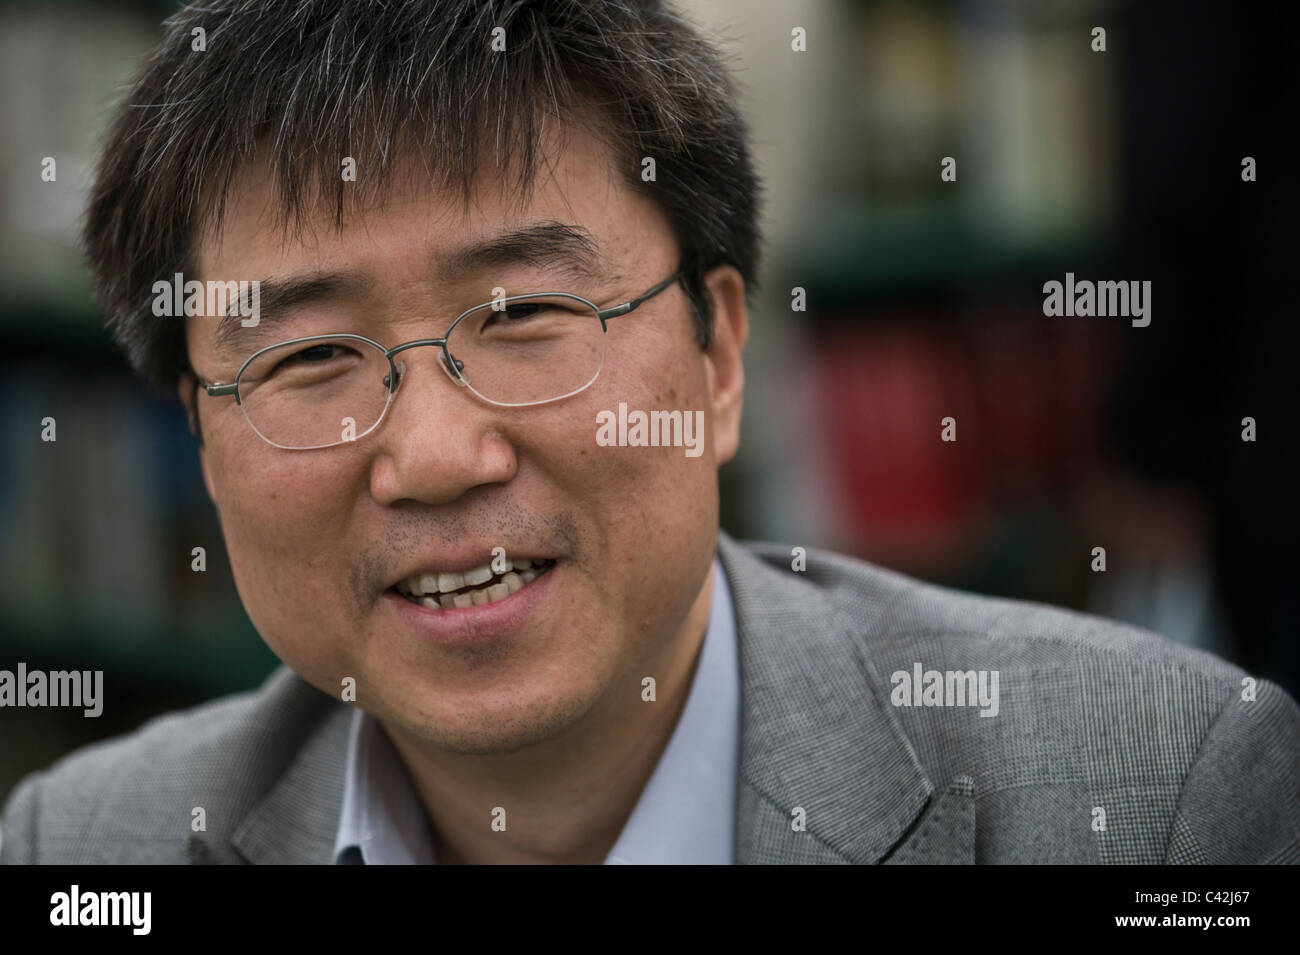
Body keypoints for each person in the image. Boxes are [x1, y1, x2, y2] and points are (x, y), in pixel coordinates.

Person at [2, 0, 1296, 865]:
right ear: (205, 443)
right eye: (310, 357)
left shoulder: (1153, 795)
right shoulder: (82, 848)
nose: (439, 455)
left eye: (525, 314)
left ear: (720, 356)